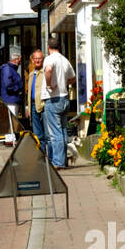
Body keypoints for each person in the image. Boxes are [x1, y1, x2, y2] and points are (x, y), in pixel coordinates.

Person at [42, 35, 76, 170]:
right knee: (62, 131)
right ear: (59, 47)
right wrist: (63, 83)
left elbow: (48, 70)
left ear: (48, 47)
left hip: (53, 98)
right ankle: (63, 160)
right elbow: (73, 79)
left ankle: (57, 162)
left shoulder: (49, 59)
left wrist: (49, 85)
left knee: (55, 132)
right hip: (64, 98)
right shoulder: (64, 60)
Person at [23, 50, 46, 157]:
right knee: (37, 134)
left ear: (43, 60)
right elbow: (29, 92)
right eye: (35, 58)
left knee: (46, 133)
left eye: (39, 58)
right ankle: (40, 156)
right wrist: (28, 107)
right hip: (33, 105)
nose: (37, 60)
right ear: (32, 60)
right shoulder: (31, 74)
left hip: (43, 105)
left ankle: (47, 156)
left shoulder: (45, 72)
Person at [0, 51, 23, 130]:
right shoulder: (7, 69)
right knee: (10, 122)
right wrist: (18, 89)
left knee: (11, 122)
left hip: (12, 100)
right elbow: (8, 85)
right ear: (16, 59)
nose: (20, 62)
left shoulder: (11, 69)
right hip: (10, 101)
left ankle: (11, 139)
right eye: (19, 59)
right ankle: (9, 140)